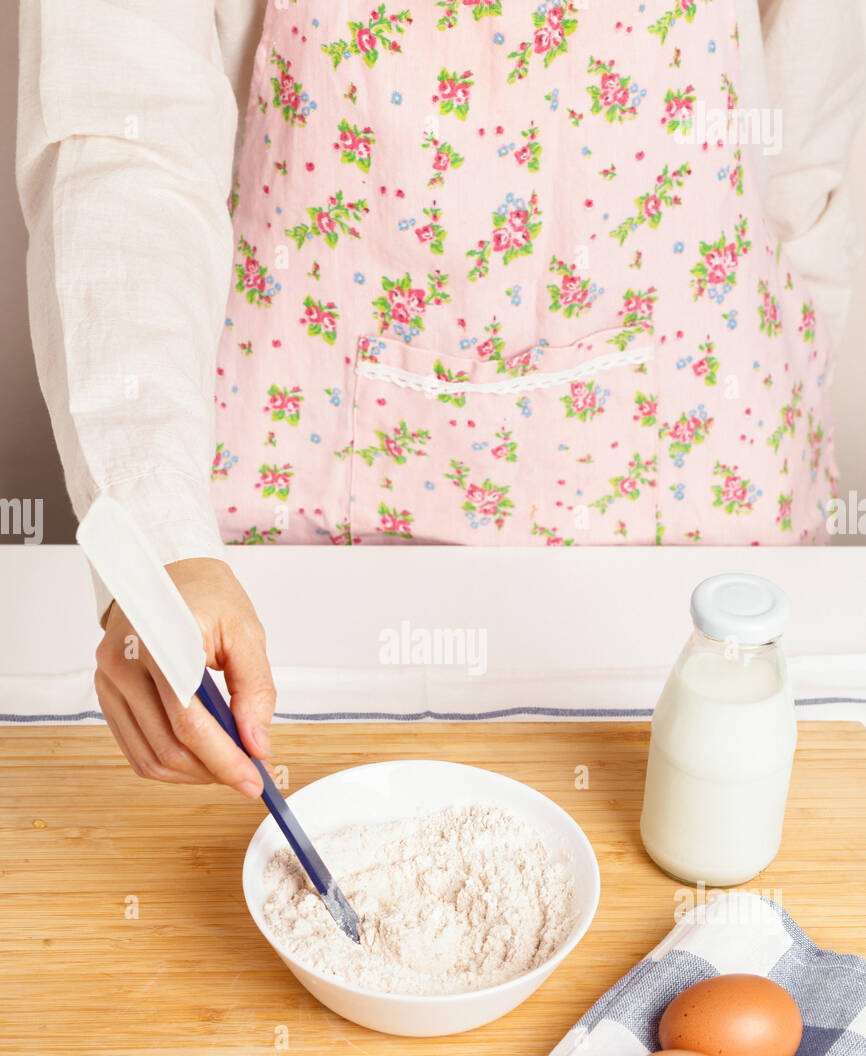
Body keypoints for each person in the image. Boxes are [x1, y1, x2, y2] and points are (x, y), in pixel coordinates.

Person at [17, 0, 865, 794]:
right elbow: (128, 125)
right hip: (296, 489)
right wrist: (159, 535)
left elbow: (811, 112)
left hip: (702, 462)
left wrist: (800, 331)